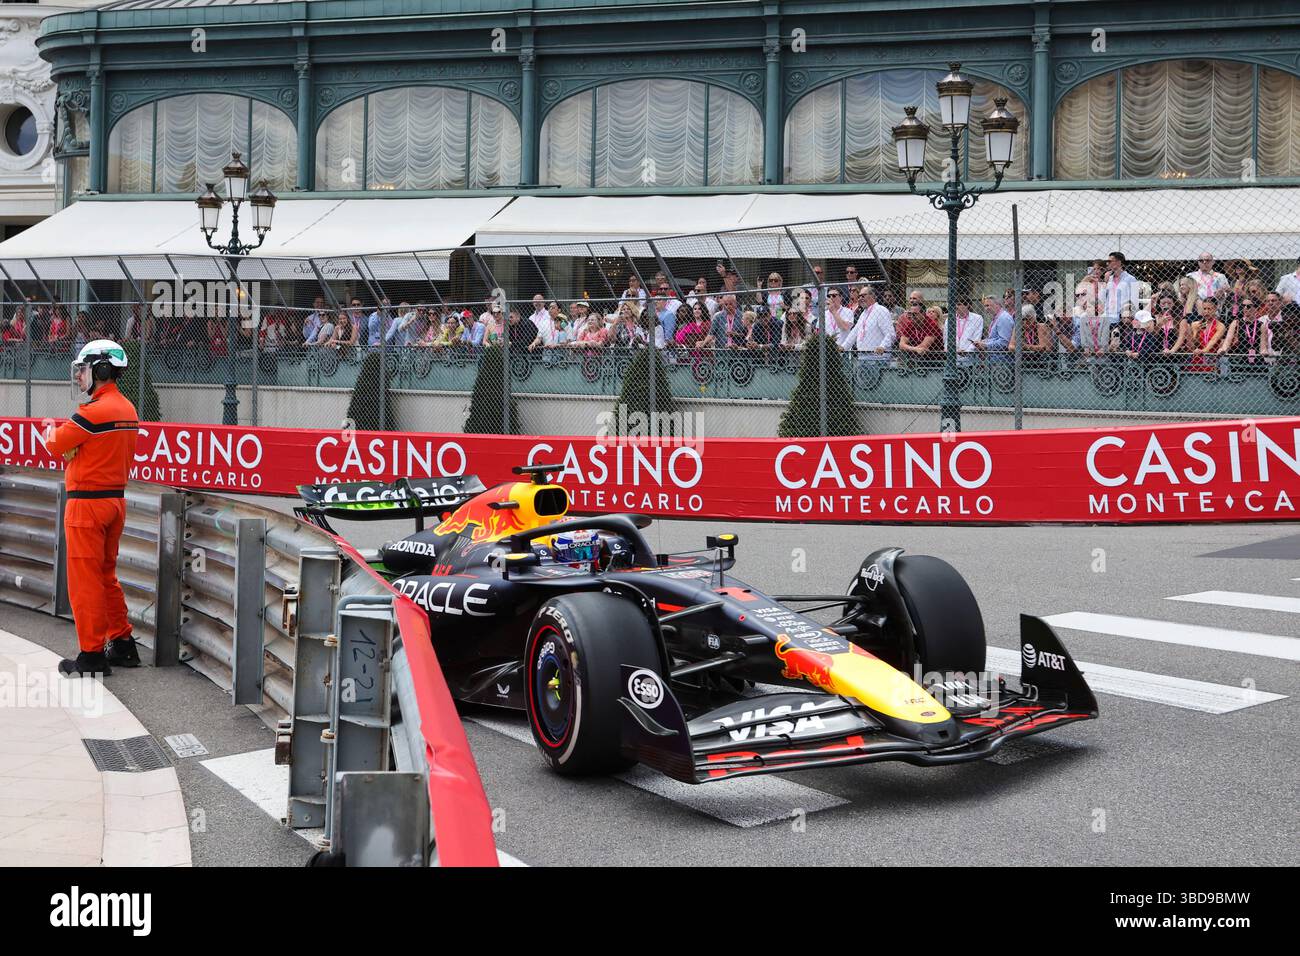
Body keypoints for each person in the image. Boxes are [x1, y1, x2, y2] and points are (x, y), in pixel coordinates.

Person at [42, 340, 140, 676]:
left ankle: (92, 656)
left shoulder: (92, 412)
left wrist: (50, 432)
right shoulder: (127, 409)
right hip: (115, 502)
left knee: (85, 582)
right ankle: (123, 643)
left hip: (87, 507)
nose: (81, 376)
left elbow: (57, 444)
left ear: (100, 370)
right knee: (106, 576)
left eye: (85, 369)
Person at [850, 285, 895, 357]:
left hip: (878, 358)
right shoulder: (863, 314)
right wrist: (843, 346)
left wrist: (882, 346)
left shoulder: (881, 310)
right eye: (859, 296)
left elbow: (890, 334)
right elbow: (854, 332)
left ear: (872, 296)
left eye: (863, 296)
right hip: (862, 356)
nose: (860, 298)